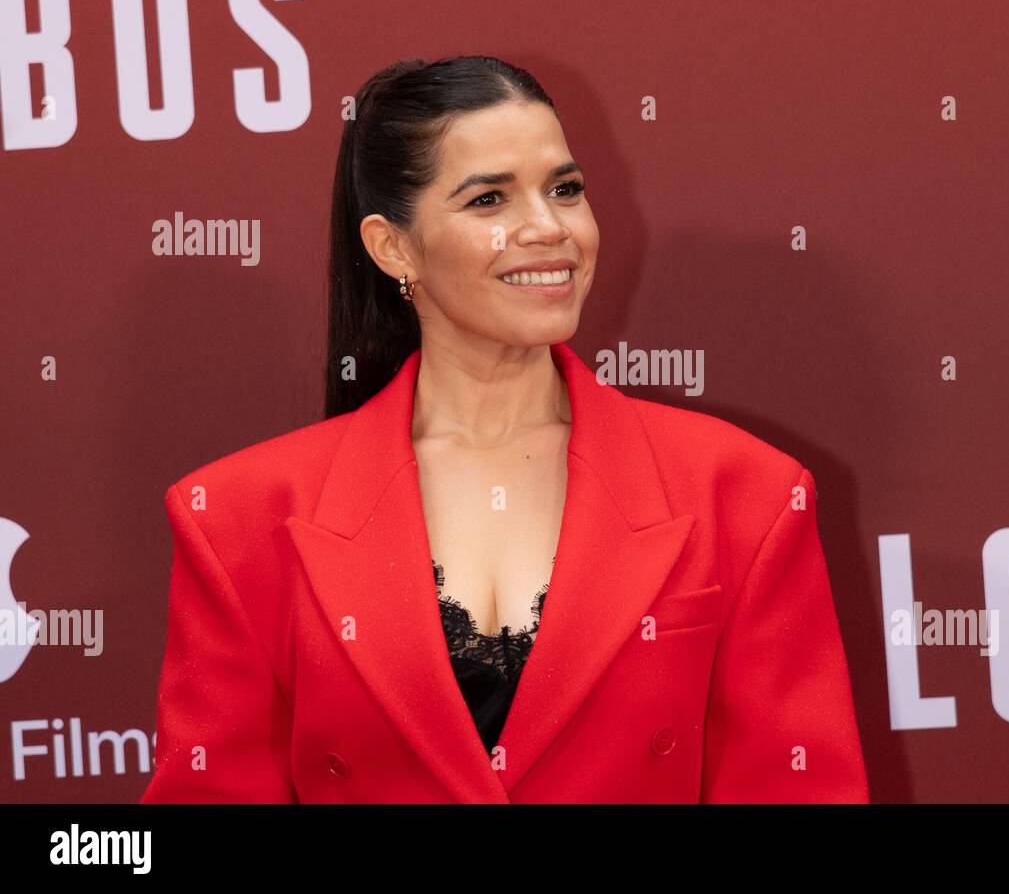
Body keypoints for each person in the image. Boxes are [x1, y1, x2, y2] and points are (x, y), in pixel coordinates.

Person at [140, 55, 868, 803]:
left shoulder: (743, 493)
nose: (549, 228)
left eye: (566, 189)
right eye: (490, 199)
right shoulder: (236, 518)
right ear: (393, 247)